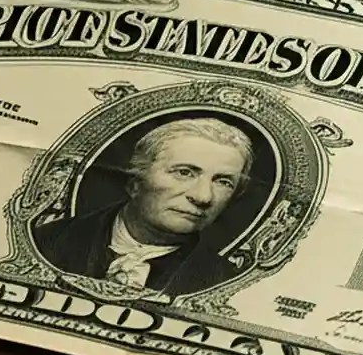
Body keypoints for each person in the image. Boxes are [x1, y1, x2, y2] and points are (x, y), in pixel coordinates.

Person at [32, 116, 255, 297]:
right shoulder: (42, 241)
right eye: (184, 173)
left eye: (223, 182)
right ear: (135, 182)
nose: (203, 197)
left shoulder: (229, 284)